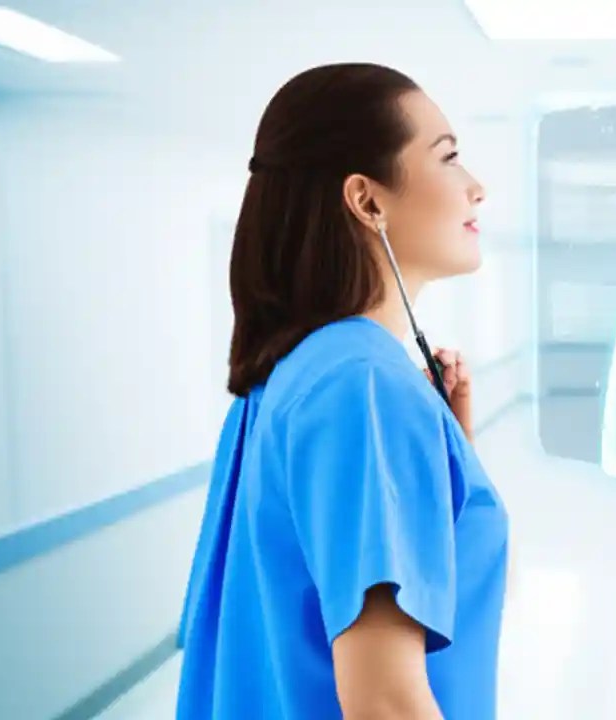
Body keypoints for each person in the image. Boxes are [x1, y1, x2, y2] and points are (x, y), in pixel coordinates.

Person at [175, 62, 508, 720]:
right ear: (368, 200)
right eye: (449, 158)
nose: (477, 187)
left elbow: (436, 605)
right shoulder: (363, 386)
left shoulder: (298, 369)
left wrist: (448, 452)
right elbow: (386, 702)